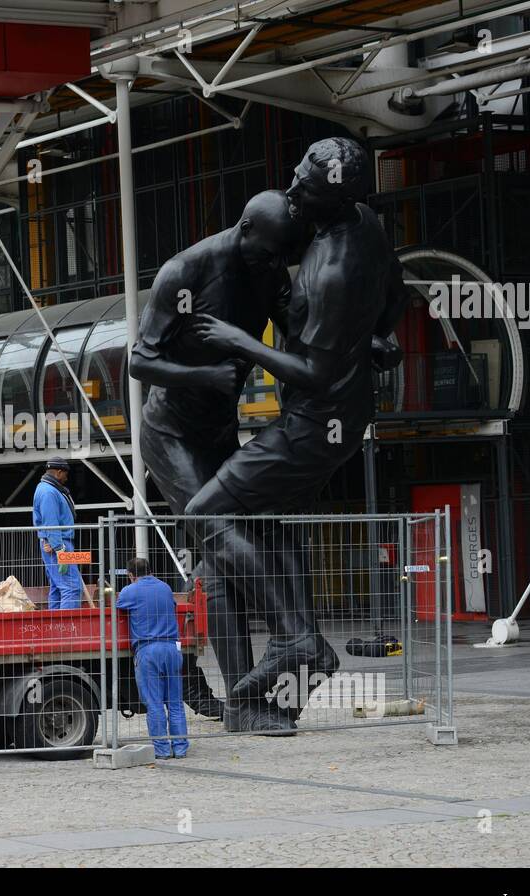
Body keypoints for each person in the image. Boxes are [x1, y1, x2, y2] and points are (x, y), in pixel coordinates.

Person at [184, 137, 408, 733]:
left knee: (203, 516)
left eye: (303, 188)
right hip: (334, 417)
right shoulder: (364, 223)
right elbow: (398, 296)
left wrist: (241, 343)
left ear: (333, 200)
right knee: (261, 523)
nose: (292, 190)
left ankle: (297, 640)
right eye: (295, 173)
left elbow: (315, 372)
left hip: (313, 428)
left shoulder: (333, 270)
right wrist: (375, 337)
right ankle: (273, 701)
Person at [131, 190, 301, 728]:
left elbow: (300, 330)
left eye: (281, 257)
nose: (273, 265)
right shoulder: (185, 271)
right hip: (171, 433)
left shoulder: (270, 271)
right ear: (244, 229)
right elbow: (140, 359)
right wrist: (202, 375)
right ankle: (285, 644)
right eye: (266, 253)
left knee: (216, 566)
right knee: (220, 534)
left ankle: (237, 699)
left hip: (221, 433)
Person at [116, 557, 188, 759]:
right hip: (172, 649)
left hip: (148, 650)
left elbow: (118, 606)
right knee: (175, 702)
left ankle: (162, 750)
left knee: (154, 703)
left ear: (131, 575)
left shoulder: (130, 591)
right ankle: (181, 748)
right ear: (150, 570)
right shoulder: (165, 587)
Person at [32, 456, 83, 609]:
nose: (66, 478)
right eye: (66, 474)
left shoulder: (47, 489)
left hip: (56, 543)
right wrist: (58, 548)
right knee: (72, 587)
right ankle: (67, 630)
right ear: (59, 472)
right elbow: (50, 522)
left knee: (57, 588)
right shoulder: (49, 492)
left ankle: (55, 630)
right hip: (60, 545)